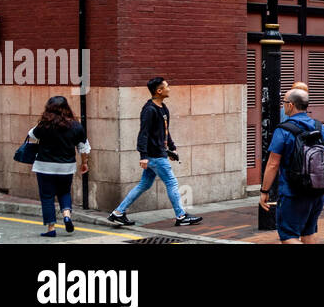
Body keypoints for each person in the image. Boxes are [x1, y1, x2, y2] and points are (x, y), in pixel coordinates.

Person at [107, 77, 202, 228]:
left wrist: (171, 147)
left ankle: (118, 213)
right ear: (159, 91)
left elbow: (165, 130)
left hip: (159, 153)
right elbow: (143, 134)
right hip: (154, 156)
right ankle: (181, 216)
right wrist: (143, 156)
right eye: (167, 86)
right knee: (171, 182)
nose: (169, 88)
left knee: (144, 184)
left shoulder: (163, 108)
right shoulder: (149, 110)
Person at [260, 88, 324, 243]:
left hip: (293, 193)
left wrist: (264, 191)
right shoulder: (320, 128)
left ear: (290, 105)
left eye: (284, 102)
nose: (283, 106)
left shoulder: (283, 130)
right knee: (308, 233)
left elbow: (272, 164)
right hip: (318, 193)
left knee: (288, 236)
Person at [25, 96, 91, 237]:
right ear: (67, 108)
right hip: (66, 167)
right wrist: (84, 163)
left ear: (49, 108)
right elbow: (84, 147)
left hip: (44, 166)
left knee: (47, 196)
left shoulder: (44, 124)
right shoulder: (76, 126)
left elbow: (31, 135)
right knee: (64, 192)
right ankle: (67, 215)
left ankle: (51, 228)